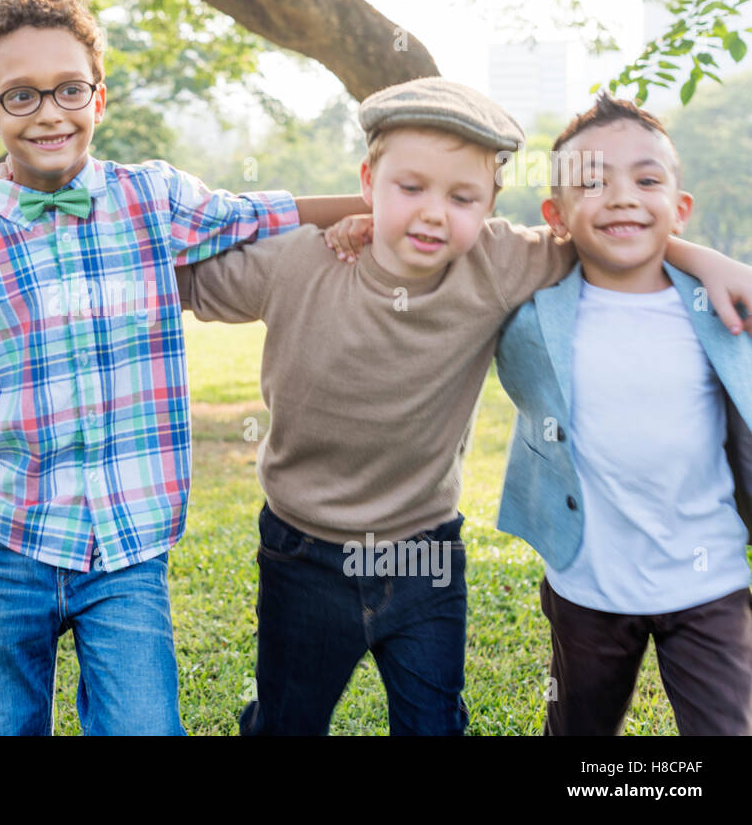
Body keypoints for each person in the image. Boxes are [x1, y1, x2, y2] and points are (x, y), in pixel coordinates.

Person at [179, 76, 752, 735]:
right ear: (368, 180)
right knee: (288, 718)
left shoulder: (497, 259)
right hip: (303, 552)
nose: (431, 213)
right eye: (409, 187)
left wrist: (706, 258)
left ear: (489, 208)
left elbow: (610, 233)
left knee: (433, 724)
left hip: (425, 554)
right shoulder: (295, 264)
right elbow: (176, 276)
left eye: (461, 197)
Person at [0, 0, 366, 735]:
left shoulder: (153, 199)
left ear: (98, 98)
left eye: (69, 89)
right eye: (21, 96)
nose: (49, 112)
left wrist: (392, 210)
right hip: (10, 537)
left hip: (129, 539)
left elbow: (271, 210)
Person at [494, 94, 752, 735]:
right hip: (587, 584)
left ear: (679, 208)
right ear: (555, 214)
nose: (621, 197)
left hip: (708, 578)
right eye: (592, 182)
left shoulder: (721, 310)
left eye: (646, 179)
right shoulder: (530, 312)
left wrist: (700, 257)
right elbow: (455, 251)